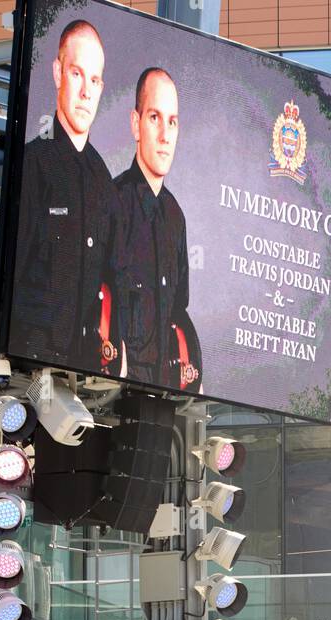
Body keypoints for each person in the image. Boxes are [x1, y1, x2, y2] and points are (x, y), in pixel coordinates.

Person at [11, 19, 125, 375]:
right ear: (58, 72)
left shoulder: (105, 183)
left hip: (88, 378)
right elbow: (10, 280)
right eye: (77, 74)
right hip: (31, 371)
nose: (86, 92)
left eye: (94, 80)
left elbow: (114, 290)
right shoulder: (32, 164)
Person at [113, 68, 202, 391]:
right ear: (136, 124)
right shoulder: (113, 204)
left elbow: (179, 310)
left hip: (164, 398)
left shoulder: (175, 217)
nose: (165, 135)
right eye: (154, 118)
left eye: (173, 122)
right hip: (115, 397)